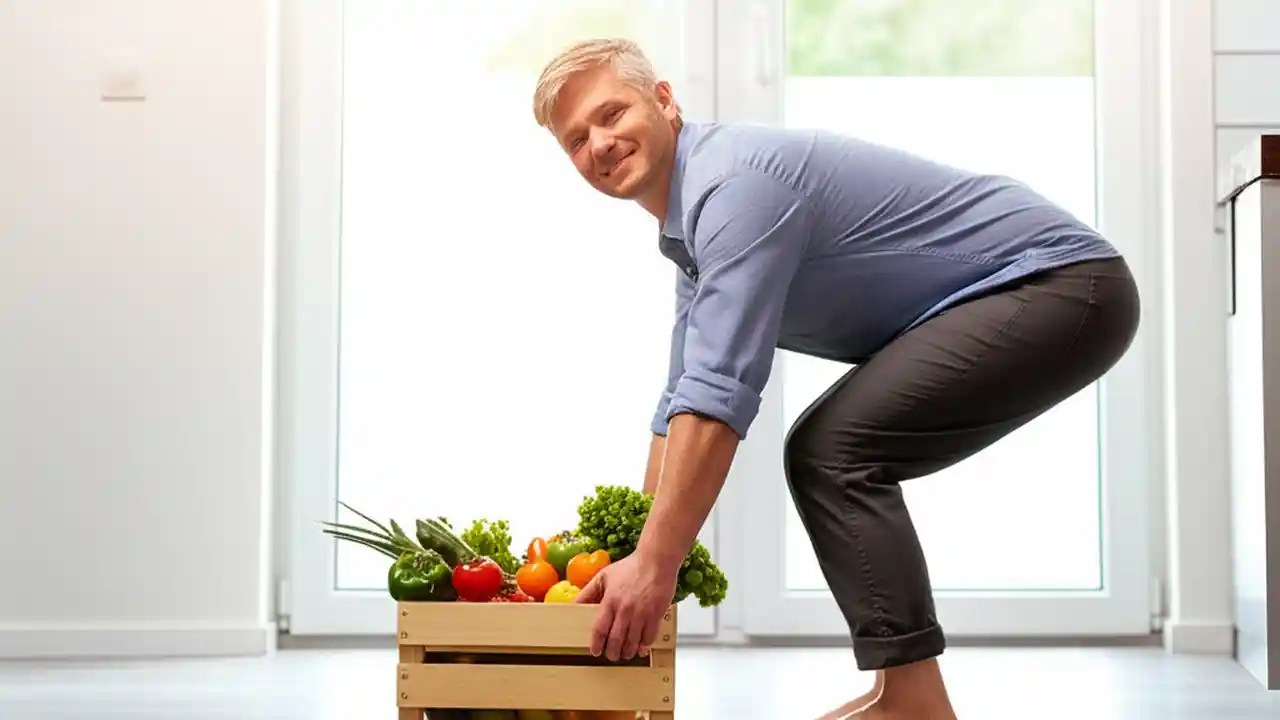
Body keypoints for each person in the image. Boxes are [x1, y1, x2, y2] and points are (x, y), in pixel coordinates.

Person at [533, 38, 1140, 720]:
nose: (600, 143)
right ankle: (903, 694)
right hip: (1039, 289)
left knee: (833, 450)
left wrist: (655, 566)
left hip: (1060, 283)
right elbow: (680, 402)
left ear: (666, 101)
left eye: (612, 114)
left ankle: (912, 702)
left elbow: (718, 402)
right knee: (831, 449)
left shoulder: (735, 188)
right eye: (576, 139)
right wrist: (633, 553)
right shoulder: (693, 235)